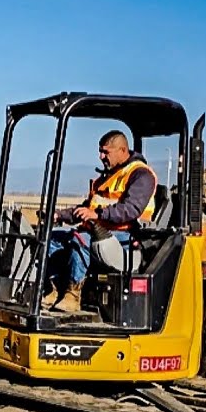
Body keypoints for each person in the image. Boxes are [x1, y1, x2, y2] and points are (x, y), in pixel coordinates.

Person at [45, 130, 157, 306]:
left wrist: (97, 215)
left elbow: (131, 209)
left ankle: (73, 295)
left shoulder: (141, 175)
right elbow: (86, 208)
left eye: (106, 152)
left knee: (80, 239)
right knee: (51, 240)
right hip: (100, 231)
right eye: (100, 151)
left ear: (122, 150)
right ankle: (56, 288)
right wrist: (59, 215)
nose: (101, 156)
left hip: (125, 236)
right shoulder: (108, 177)